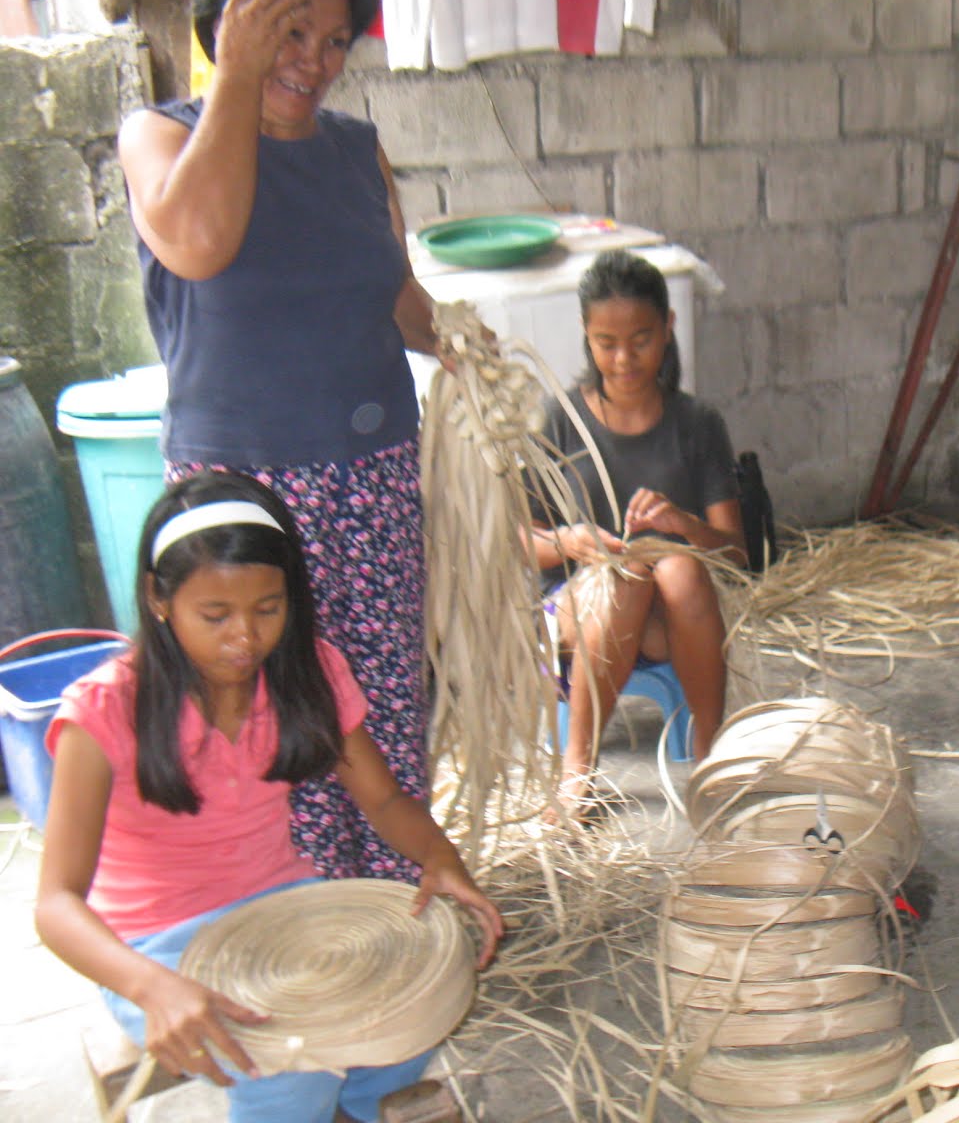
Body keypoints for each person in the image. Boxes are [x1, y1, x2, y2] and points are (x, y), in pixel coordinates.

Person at [117, 0, 443, 879]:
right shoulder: (163, 134)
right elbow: (200, 242)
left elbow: (396, 296)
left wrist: (464, 346)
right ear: (226, 26)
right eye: (287, 35)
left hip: (372, 483)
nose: (315, 63)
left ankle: (390, 923)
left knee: (379, 707)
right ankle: (288, 929)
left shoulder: (357, 151)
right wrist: (236, 81)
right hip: (248, 500)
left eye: (335, 40)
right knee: (263, 715)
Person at [34, 473, 502, 1123]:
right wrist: (152, 987)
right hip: (154, 944)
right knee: (289, 1068)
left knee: (409, 1010)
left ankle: (354, 1109)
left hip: (285, 908)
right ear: (158, 599)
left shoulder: (305, 673)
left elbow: (386, 802)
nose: (245, 639)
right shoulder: (105, 710)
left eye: (268, 608)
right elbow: (55, 903)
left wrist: (441, 858)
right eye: (215, 615)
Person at [524, 250, 745, 809]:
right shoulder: (560, 419)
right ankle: (579, 767)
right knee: (625, 577)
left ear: (668, 329)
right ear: (585, 334)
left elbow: (737, 553)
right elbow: (520, 545)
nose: (623, 359)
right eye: (606, 343)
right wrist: (569, 542)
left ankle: (708, 750)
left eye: (641, 340)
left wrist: (682, 524)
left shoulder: (697, 424)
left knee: (678, 567)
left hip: (672, 620)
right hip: (575, 614)